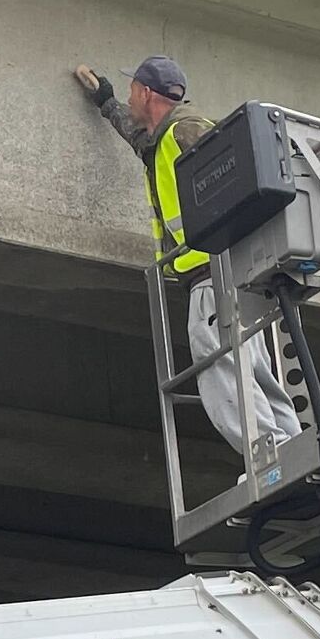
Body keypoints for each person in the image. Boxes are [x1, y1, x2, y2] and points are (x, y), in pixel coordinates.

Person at [79, 55, 300, 457]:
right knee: (252, 367)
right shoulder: (168, 135)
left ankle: (270, 451)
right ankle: (291, 445)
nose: (129, 99)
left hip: (211, 272)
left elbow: (231, 182)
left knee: (220, 366)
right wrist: (106, 100)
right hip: (232, 274)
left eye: (131, 92)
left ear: (147, 92)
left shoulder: (189, 131)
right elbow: (140, 140)